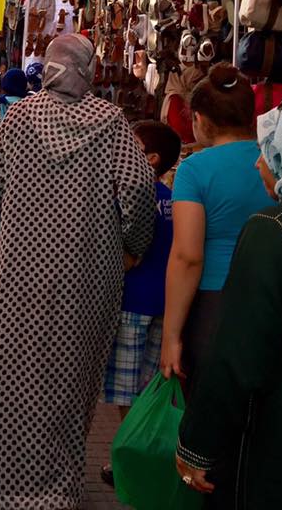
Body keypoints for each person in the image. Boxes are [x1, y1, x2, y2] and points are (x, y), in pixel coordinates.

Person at [0, 34, 156, 510]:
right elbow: (140, 190)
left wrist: (26, 214)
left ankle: (7, 491)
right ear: (88, 68)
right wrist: (132, 245)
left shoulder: (19, 116)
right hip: (88, 274)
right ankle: (57, 491)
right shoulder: (109, 121)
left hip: (20, 272)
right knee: (70, 379)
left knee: (14, 377)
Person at [176, 96, 282, 507]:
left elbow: (236, 354)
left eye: (267, 151)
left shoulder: (275, 231)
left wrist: (197, 445)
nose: (258, 163)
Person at [160, 63, 274, 384]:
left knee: (210, 413)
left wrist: (171, 336)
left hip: (214, 304)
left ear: (201, 120)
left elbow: (187, 256)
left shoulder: (195, 170)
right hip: (273, 297)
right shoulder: (275, 160)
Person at [100, 120, 182, 487]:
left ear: (150, 159)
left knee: (128, 394)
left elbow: (128, 258)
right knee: (148, 388)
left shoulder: (134, 196)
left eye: (128, 147)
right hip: (164, 306)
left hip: (132, 306)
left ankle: (130, 460)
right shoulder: (172, 199)